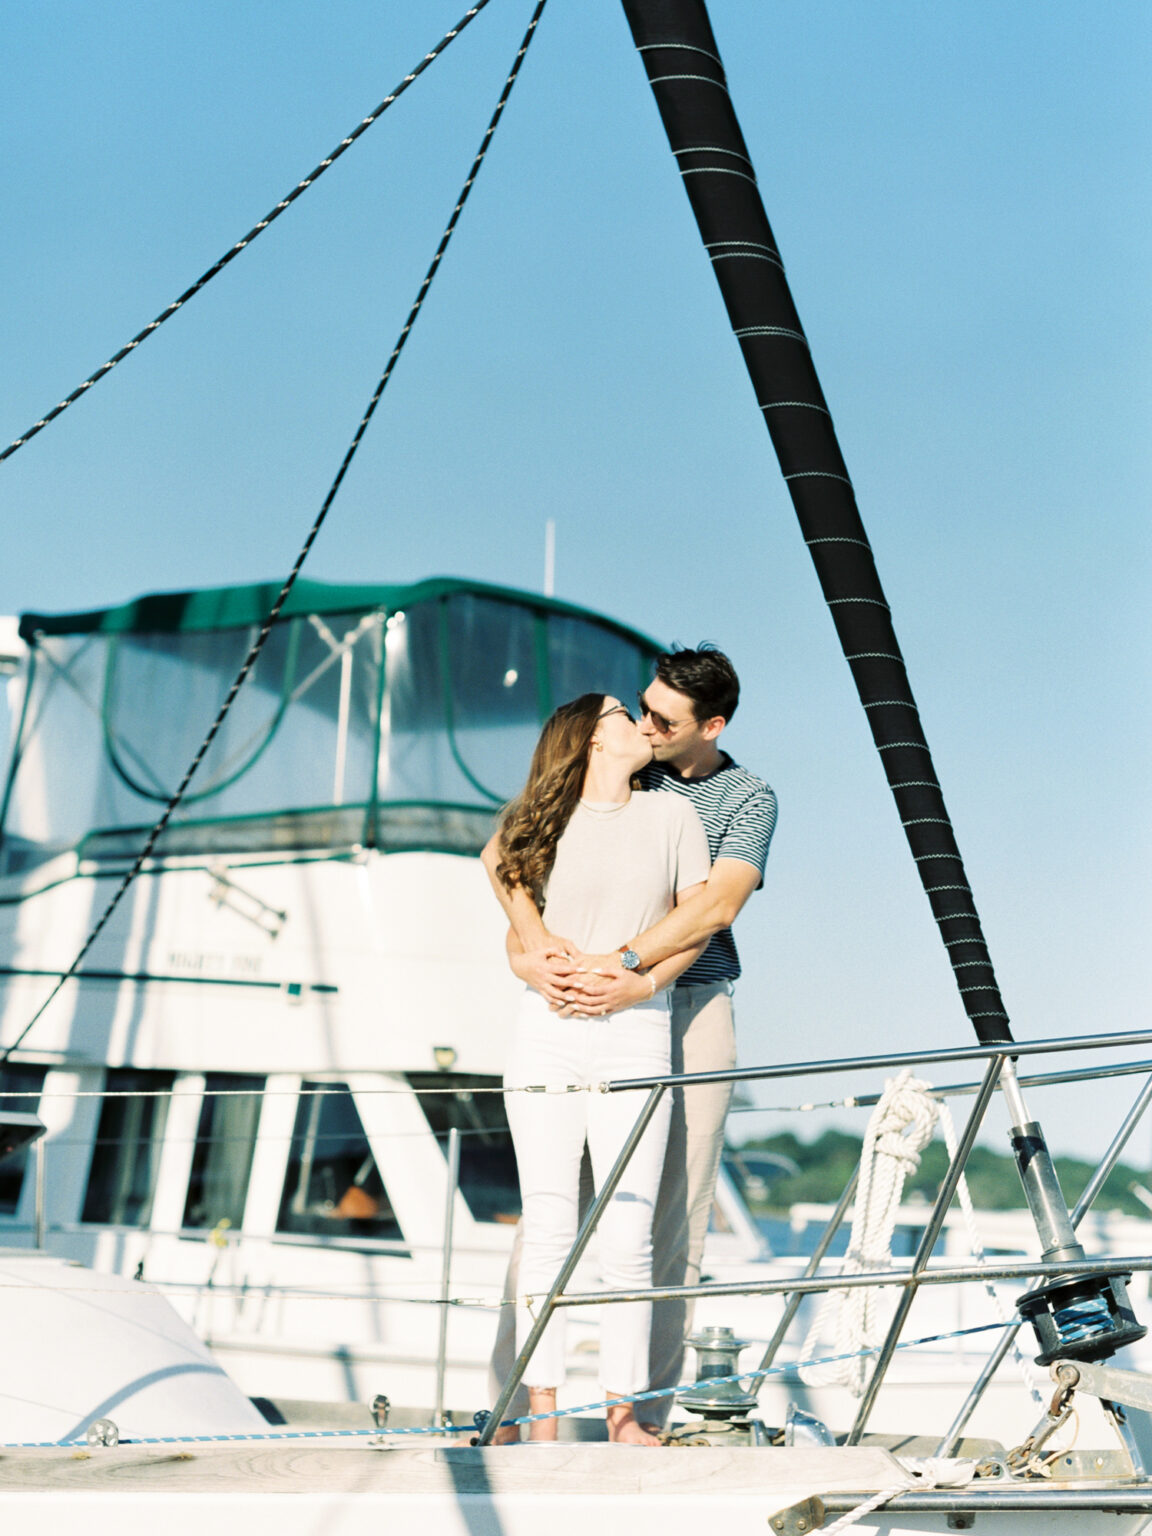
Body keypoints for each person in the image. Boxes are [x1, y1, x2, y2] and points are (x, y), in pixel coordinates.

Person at [484, 647, 776, 1433]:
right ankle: (513, 1406)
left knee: (670, 1215)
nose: (646, 724)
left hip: (687, 1003)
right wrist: (538, 958)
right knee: (548, 1216)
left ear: (709, 727)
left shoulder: (743, 799)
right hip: (579, 1006)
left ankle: (637, 1415)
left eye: (664, 719)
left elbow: (715, 907)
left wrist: (631, 971)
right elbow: (513, 863)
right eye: (638, 709)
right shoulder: (620, 775)